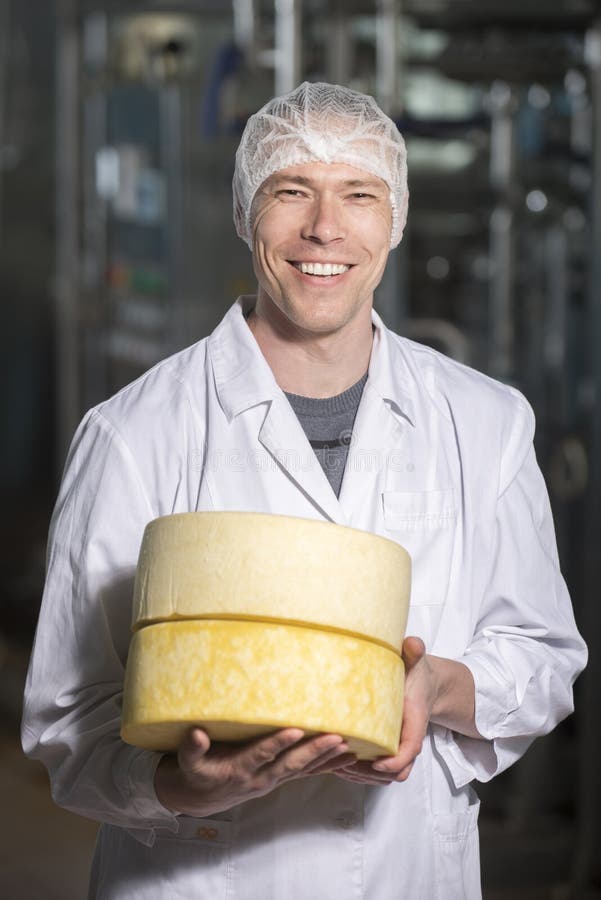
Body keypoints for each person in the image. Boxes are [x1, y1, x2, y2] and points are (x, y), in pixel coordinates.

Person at [22, 82, 586, 899]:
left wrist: (436, 687)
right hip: (204, 876)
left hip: (406, 872)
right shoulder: (133, 432)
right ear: (248, 214)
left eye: (358, 194)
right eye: (292, 191)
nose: (324, 228)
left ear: (392, 220)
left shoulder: (485, 420)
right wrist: (187, 784)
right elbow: (66, 724)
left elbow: (541, 659)